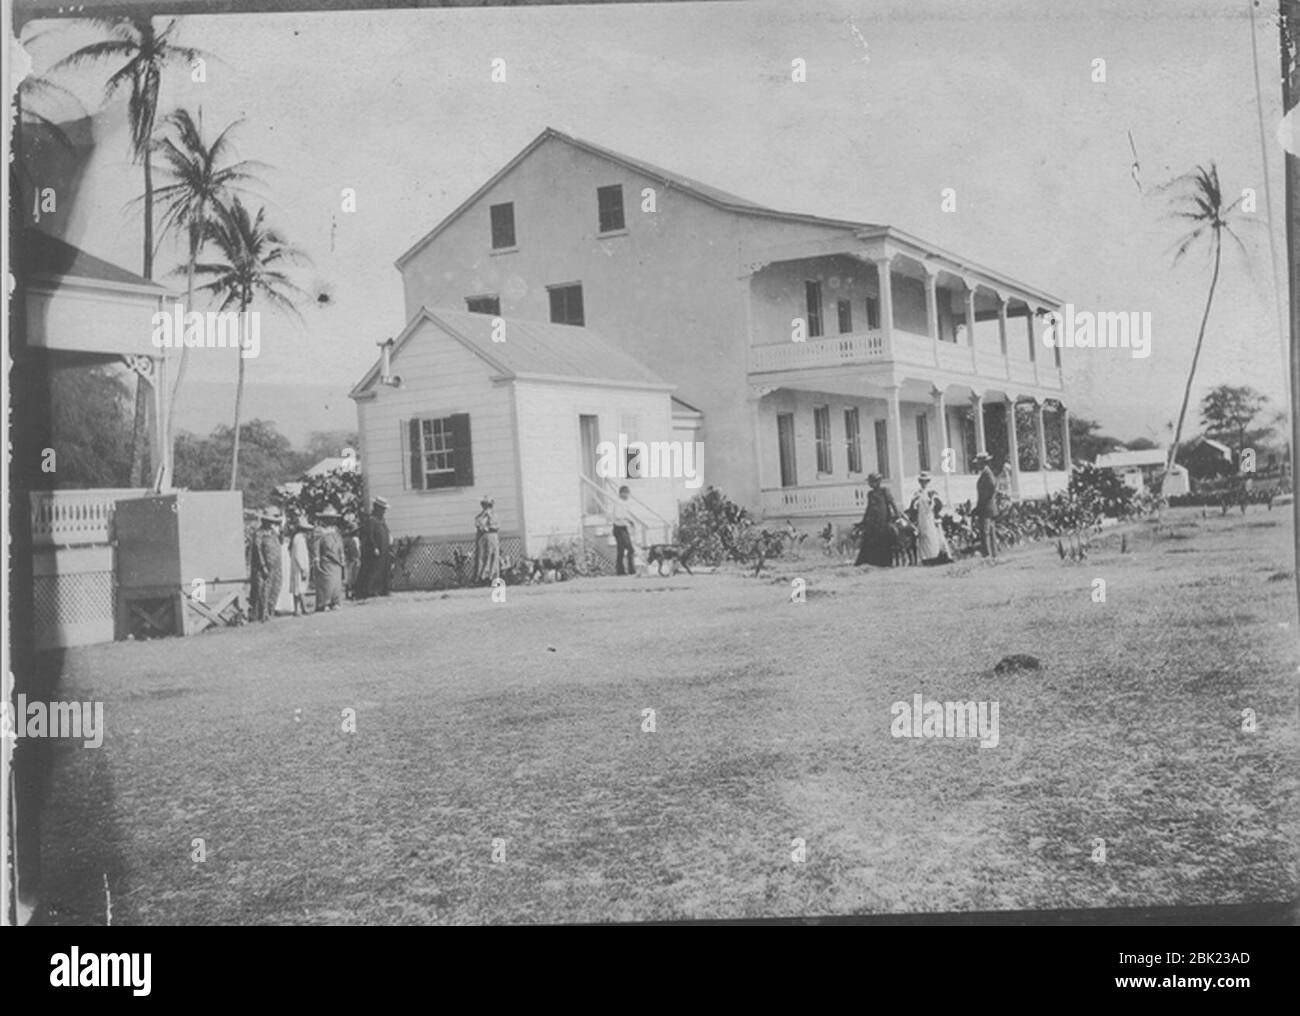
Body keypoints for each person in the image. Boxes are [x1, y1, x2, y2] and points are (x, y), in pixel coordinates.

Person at [855, 472, 901, 567]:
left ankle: (884, 562)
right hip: (872, 521)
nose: (870, 484)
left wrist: (897, 514)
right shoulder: (870, 494)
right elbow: (869, 508)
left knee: (883, 540)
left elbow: (892, 503)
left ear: (877, 482)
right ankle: (870, 561)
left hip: (883, 520)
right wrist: (864, 520)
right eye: (870, 482)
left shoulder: (884, 491)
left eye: (871, 482)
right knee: (870, 540)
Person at [909, 471, 951, 565]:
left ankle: (935, 556)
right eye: (922, 481)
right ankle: (926, 557)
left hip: (930, 517)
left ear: (928, 482)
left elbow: (939, 505)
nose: (924, 483)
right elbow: (912, 507)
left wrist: (934, 507)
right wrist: (914, 515)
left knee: (932, 535)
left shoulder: (932, 493)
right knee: (923, 536)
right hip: (921, 518)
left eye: (926, 481)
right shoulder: (917, 493)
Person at [248, 508, 283, 622]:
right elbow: (258, 550)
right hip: (263, 567)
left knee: (275, 587)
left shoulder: (273, 532)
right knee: (262, 590)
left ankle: (270, 610)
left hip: (275, 566)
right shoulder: (259, 533)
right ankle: (262, 614)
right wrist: (263, 566)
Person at [357, 495, 392, 598]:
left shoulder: (382, 520)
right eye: (382, 509)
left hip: (384, 548)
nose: (384, 511)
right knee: (374, 569)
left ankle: (383, 590)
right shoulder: (371, 520)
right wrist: (374, 547)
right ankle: (370, 590)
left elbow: (386, 531)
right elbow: (369, 535)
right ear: (377, 508)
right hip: (375, 549)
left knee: (384, 568)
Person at [313, 509, 346, 611]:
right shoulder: (319, 531)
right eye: (329, 518)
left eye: (333, 518)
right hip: (326, 561)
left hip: (337, 562)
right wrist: (317, 561)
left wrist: (342, 557)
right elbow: (316, 546)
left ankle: (335, 602)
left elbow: (340, 544)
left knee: (336, 584)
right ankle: (324, 603)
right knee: (326, 583)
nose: (331, 520)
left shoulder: (336, 530)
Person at [972, 452, 1000, 559]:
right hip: (987, 507)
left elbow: (992, 486)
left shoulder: (987, 474)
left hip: (986, 507)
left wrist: (986, 500)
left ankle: (988, 555)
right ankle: (993, 555)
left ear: (983, 463)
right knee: (990, 532)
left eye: (979, 463)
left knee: (985, 532)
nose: (977, 465)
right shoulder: (985, 473)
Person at [473, 496, 501, 584]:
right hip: (482, 538)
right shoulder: (479, 517)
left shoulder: (495, 516)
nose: (487, 507)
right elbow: (478, 525)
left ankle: (492, 576)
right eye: (485, 505)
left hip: (492, 538)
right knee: (482, 556)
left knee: (492, 555)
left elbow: (496, 526)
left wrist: (490, 517)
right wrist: (484, 526)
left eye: (489, 505)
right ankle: (481, 577)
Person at [609, 485, 635, 575]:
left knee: (621, 550)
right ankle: (631, 570)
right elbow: (618, 516)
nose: (628, 496)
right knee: (630, 549)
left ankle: (620, 571)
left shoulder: (624, 503)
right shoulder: (618, 503)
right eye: (627, 494)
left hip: (623, 528)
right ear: (622, 494)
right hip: (619, 529)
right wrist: (627, 520)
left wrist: (630, 521)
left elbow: (625, 515)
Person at [289, 517, 313, 617]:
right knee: (300, 589)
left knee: (297, 589)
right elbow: (299, 555)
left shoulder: (297, 538)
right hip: (300, 567)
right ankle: (304, 608)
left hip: (296, 567)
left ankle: (297, 609)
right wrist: (303, 569)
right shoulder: (300, 539)